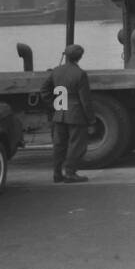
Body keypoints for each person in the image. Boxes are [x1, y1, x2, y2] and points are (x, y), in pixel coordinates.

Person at [43, 44, 94, 183]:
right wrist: (91, 119)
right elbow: (85, 100)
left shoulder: (56, 71)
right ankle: (70, 173)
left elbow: (44, 91)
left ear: (65, 55)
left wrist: (54, 106)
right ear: (80, 57)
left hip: (59, 113)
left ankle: (57, 173)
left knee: (59, 145)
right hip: (76, 115)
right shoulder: (80, 74)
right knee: (76, 145)